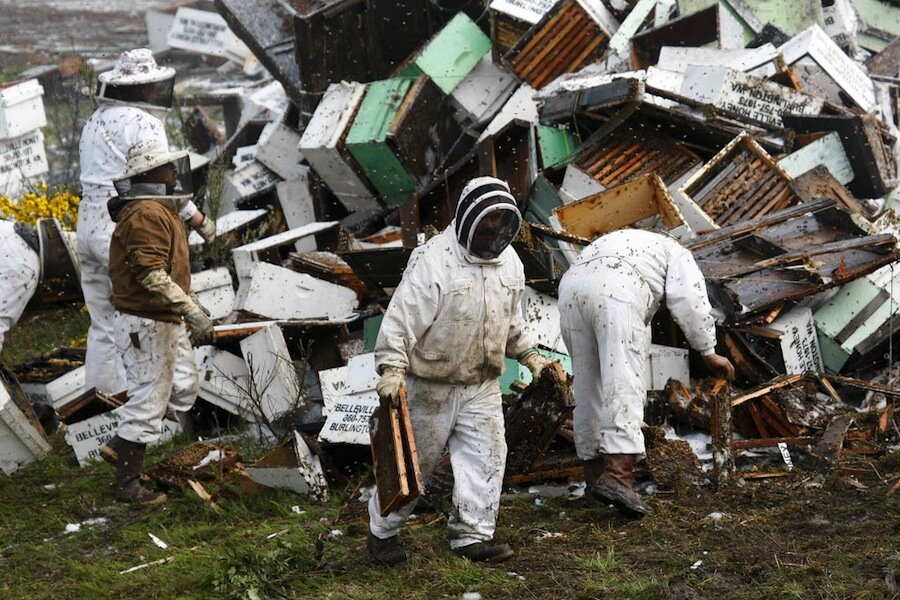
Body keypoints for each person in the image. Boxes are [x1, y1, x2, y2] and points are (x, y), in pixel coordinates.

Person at [368, 176, 553, 565]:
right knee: (411, 464)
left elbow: (511, 320)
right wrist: (391, 368)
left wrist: (531, 355)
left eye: (499, 225)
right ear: (468, 218)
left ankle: (471, 537)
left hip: (482, 385)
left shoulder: (510, 263)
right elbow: (401, 320)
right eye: (485, 225)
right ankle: (382, 535)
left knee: (487, 457)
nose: (491, 234)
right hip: (429, 385)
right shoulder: (434, 260)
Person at [558, 229, 735, 519]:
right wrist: (708, 350)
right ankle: (618, 477)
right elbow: (689, 300)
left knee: (589, 387)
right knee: (623, 382)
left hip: (571, 288)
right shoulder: (676, 251)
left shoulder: (627, 241)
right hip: (616, 288)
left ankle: (593, 481)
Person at [78, 48, 216, 394]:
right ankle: (158, 408)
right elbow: (160, 182)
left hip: (88, 225)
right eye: (152, 84)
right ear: (142, 88)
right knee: (151, 317)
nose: (155, 91)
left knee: (103, 325)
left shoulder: (93, 122)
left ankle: (102, 409)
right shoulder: (144, 123)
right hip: (126, 228)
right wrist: (197, 218)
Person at [100, 140, 214, 505]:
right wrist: (192, 311)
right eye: (167, 168)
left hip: (161, 317)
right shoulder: (146, 213)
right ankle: (128, 487)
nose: (174, 173)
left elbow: (170, 276)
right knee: (148, 402)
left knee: (182, 388)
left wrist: (189, 305)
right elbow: (151, 274)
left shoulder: (159, 209)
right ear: (149, 174)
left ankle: (121, 446)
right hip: (145, 322)